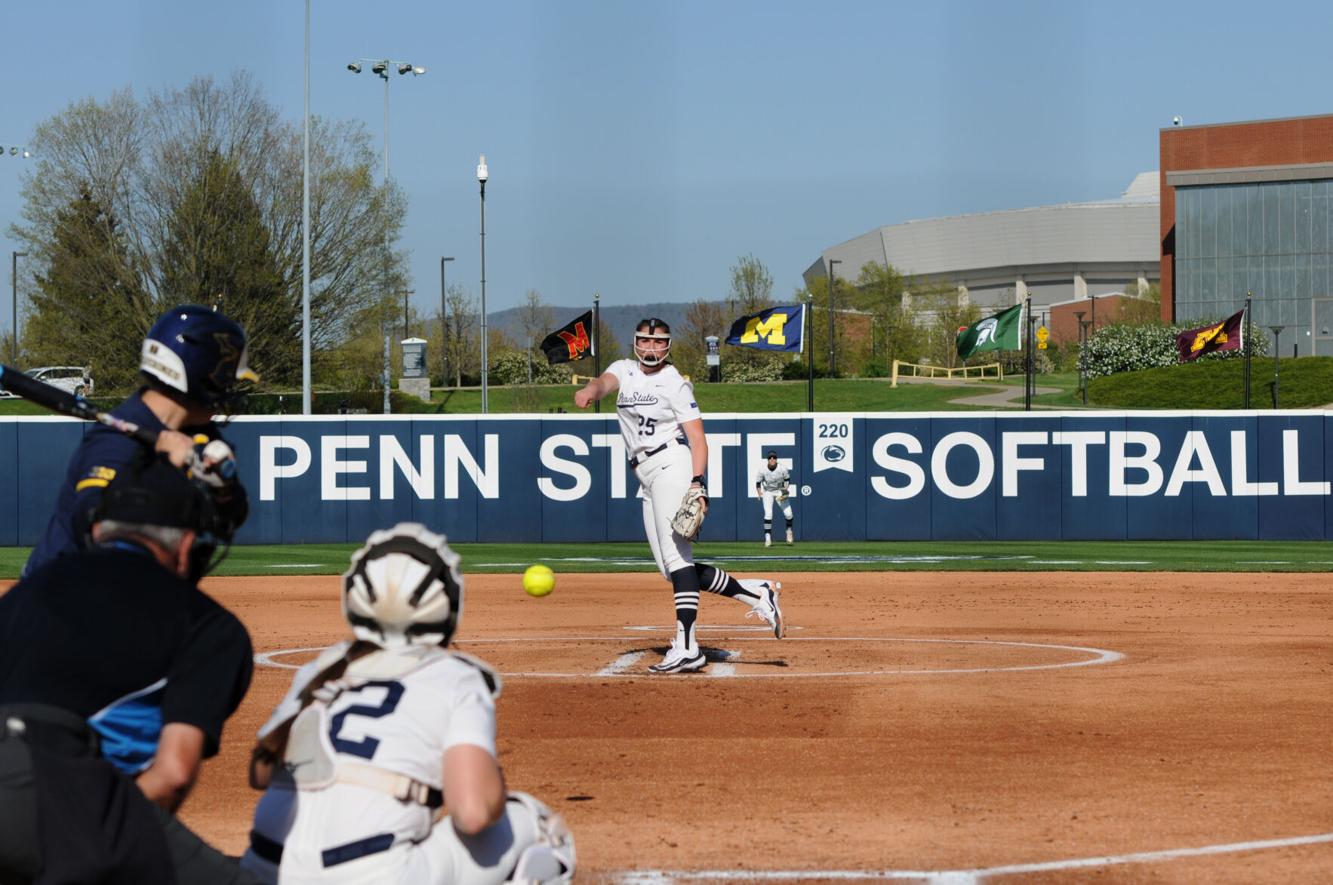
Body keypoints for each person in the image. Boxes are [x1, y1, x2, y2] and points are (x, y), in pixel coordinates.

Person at [240, 522, 576, 885]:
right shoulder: (456, 676)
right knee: (538, 826)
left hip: (265, 867)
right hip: (375, 872)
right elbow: (474, 814)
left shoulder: (319, 670)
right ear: (447, 604)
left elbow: (260, 774)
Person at [0, 455, 258, 884]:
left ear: (98, 530)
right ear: (187, 545)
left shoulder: (25, 593)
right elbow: (172, 776)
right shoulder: (207, 624)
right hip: (47, 786)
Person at [574, 317, 784, 674]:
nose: (651, 348)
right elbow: (604, 383)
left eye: (658, 342)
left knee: (678, 557)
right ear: (635, 342)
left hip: (671, 462)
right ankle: (756, 593)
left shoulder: (675, 383)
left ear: (668, 345)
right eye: (645, 341)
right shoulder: (624, 370)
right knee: (671, 570)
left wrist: (697, 482)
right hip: (644, 472)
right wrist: (591, 392)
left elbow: (698, 439)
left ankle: (687, 647)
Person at [24, 303, 258, 577]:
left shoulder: (200, 433)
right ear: (199, 376)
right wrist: (162, 470)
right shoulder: (114, 443)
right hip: (64, 601)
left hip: (139, 594)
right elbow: (94, 524)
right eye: (226, 380)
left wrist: (224, 488)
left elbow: (230, 518)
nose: (229, 391)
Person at [754, 449, 795, 547]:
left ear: (776, 459)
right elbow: (758, 483)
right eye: (770, 458)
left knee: (789, 514)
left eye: (774, 458)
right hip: (768, 491)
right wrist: (759, 493)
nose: (772, 459)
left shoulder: (782, 468)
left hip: (780, 490)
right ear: (767, 460)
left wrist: (784, 491)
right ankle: (767, 538)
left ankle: (789, 531)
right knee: (768, 514)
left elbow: (787, 480)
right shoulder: (762, 469)